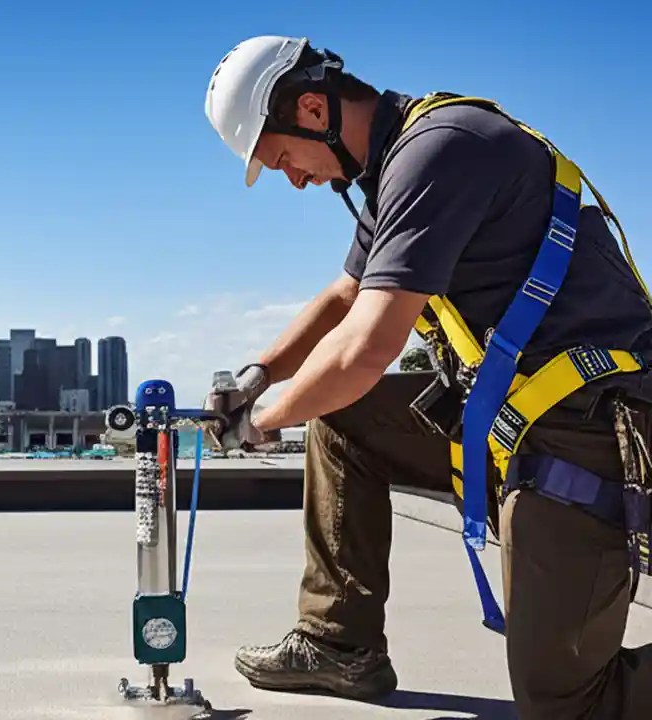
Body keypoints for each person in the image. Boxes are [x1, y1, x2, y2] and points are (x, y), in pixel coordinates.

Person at [200, 35, 652, 718]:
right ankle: (339, 644)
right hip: (521, 415)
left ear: (314, 109)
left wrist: (260, 424)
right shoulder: (395, 168)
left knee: (567, 703)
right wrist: (257, 377)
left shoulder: (440, 150)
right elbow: (344, 297)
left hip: (591, 428)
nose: (293, 179)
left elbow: (366, 348)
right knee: (343, 418)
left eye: (284, 158)